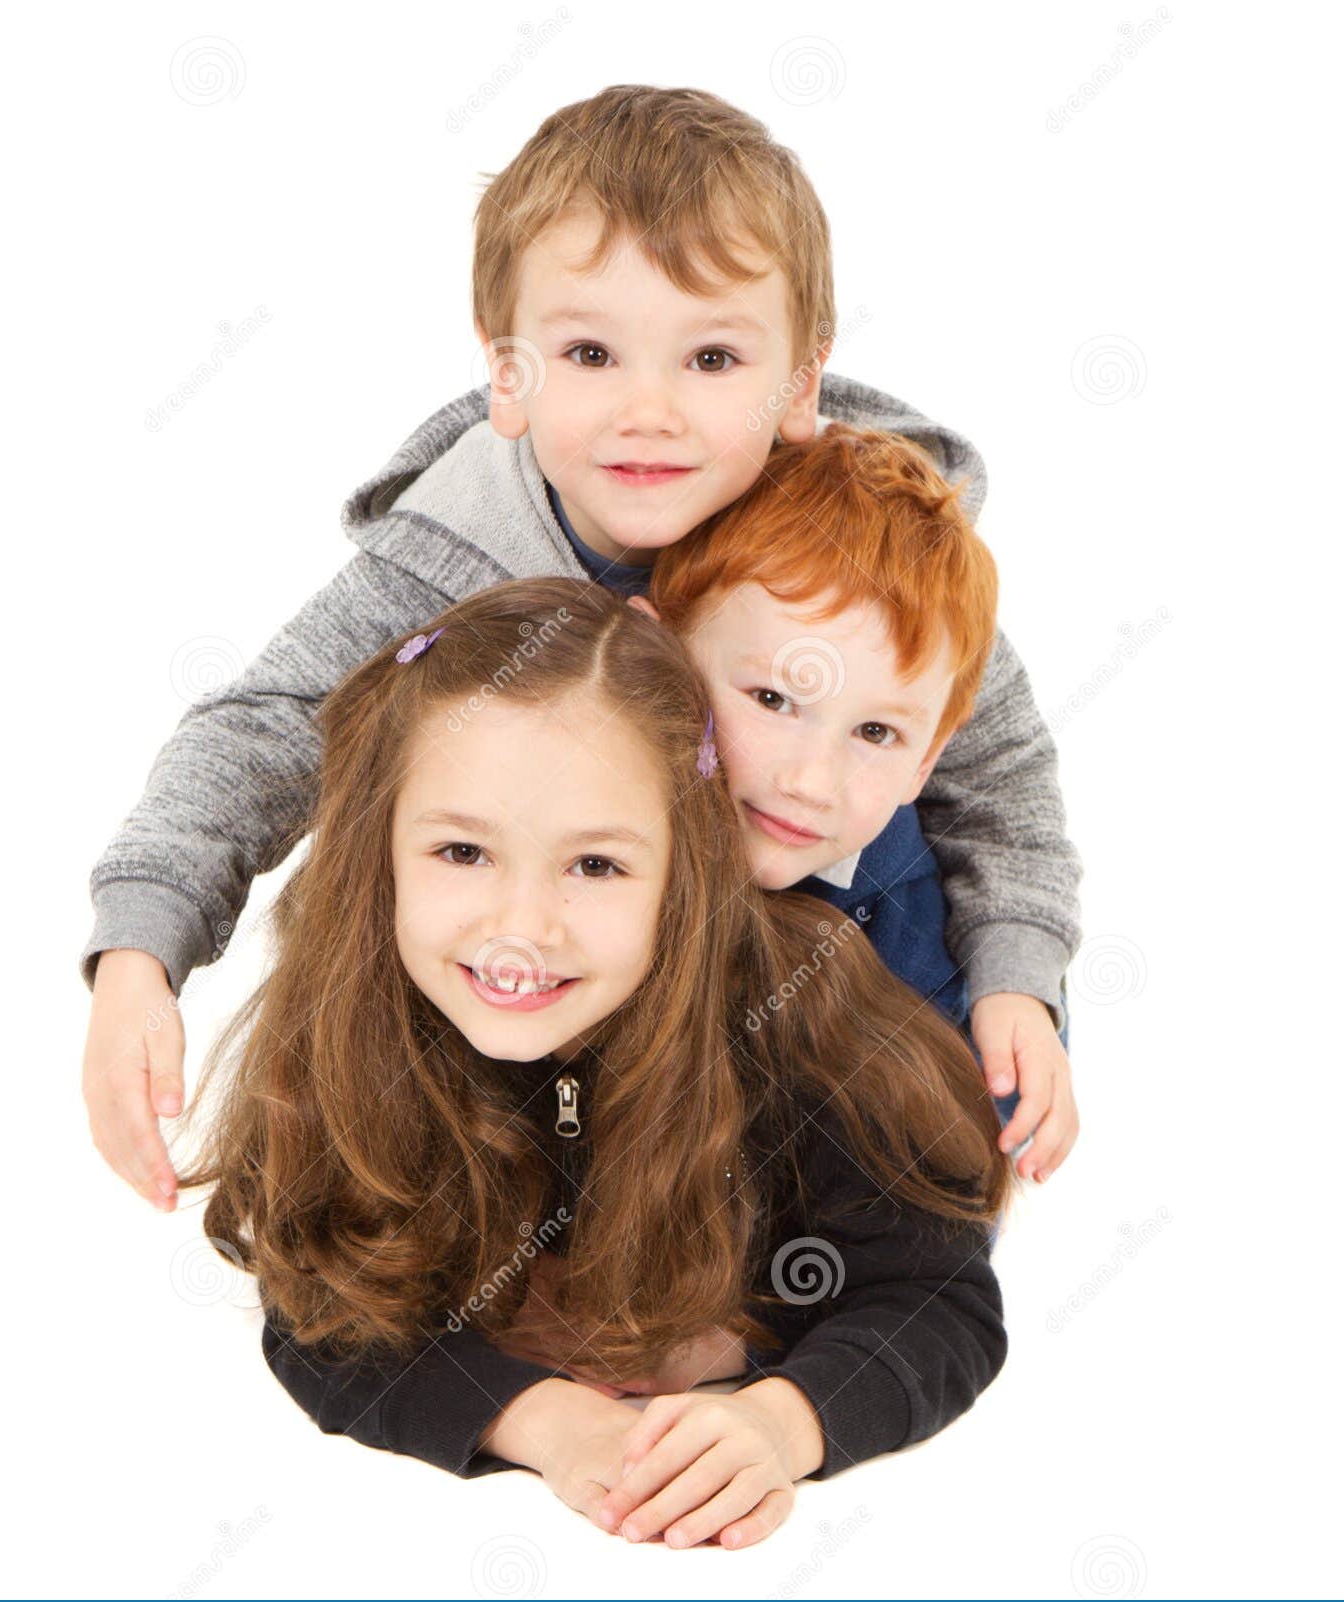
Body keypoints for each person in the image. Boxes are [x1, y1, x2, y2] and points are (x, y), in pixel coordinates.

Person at [80, 84, 1082, 1218]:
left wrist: (1018, 982)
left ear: (797, 382)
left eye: (710, 360)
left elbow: (994, 778)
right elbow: (263, 731)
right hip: (573, 965)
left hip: (842, 956)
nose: (647, 410)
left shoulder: (870, 558)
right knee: (418, 819)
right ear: (508, 373)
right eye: (591, 353)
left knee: (888, 1172)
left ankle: (836, 1274)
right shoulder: (454, 561)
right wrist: (140, 953)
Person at [171, 579, 1010, 1551]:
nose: (522, 928)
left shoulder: (804, 1027)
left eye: (596, 866)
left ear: (684, 868)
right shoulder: (359, 1027)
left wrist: (783, 1421)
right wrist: (547, 1421)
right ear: (380, 857)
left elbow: (935, 1299)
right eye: (460, 850)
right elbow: (319, 1294)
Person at [641, 421, 1078, 1180]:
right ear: (655, 656)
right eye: (772, 699)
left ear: (929, 762)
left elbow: (933, 1239)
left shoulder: (922, 963)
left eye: (875, 732)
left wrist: (1014, 994)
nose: (811, 781)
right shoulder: (575, 865)